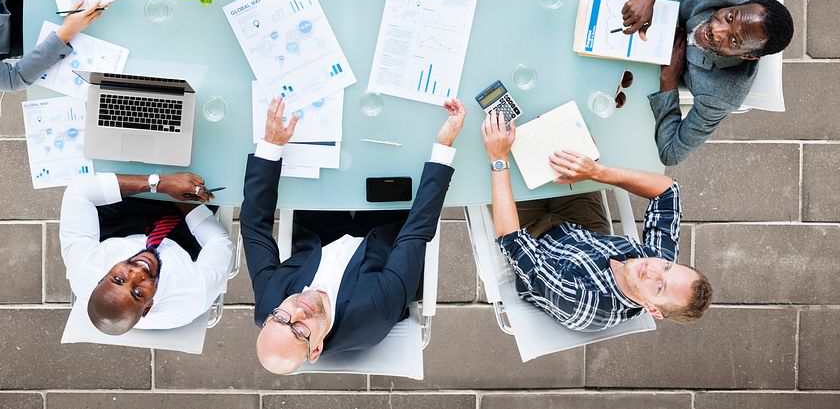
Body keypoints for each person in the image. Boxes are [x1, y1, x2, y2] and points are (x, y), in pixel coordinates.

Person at [241, 97, 464, 374]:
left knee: (324, 135)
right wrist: (443, 147)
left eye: (282, 318)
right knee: (395, 138)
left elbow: (254, 228)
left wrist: (270, 146)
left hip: (322, 233)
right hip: (385, 238)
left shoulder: (270, 307)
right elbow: (415, 232)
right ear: (316, 349)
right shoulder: (373, 310)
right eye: (299, 331)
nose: (297, 312)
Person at [481, 111, 713, 331]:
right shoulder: (658, 264)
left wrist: (498, 159)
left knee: (493, 146)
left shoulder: (579, 301)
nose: (652, 269)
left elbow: (512, 239)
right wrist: (596, 172)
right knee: (562, 140)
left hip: (534, 239)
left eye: (659, 287)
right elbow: (667, 190)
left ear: (652, 309)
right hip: (584, 228)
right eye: (667, 266)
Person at [620, 0, 794, 165]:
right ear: (739, 3)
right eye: (730, 16)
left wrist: (668, 81)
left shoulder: (721, 96)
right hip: (661, 1)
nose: (716, 30)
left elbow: (671, 153)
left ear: (748, 55)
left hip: (644, 70)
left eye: (733, 41)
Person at [60, 171, 232, 335]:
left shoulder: (84, 267)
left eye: (119, 279)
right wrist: (186, 203)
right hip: (180, 230)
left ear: (101, 278)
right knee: (208, 176)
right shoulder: (194, 292)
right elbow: (220, 242)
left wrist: (159, 184)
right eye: (138, 293)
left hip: (120, 222)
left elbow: (78, 192)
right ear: (149, 306)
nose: (137, 272)